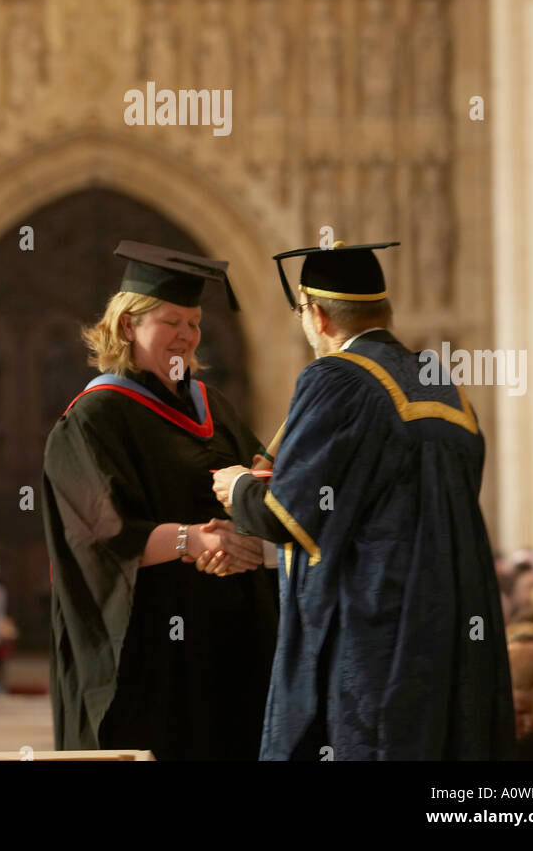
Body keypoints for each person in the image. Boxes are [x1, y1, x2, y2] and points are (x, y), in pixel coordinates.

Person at [213, 241, 515, 761]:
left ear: (318, 314)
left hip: (375, 632)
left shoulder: (337, 379)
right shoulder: (441, 385)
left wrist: (239, 486)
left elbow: (290, 515)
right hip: (450, 624)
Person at [43, 241, 278, 761]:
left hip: (227, 640)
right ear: (129, 325)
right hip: (147, 651)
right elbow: (100, 538)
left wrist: (252, 521)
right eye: (172, 321)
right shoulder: (94, 418)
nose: (187, 336)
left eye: (194, 323)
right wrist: (192, 540)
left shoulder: (212, 405)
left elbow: (261, 484)